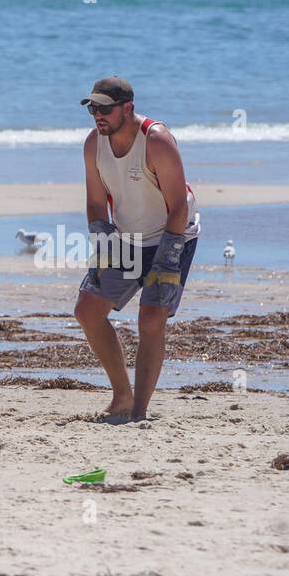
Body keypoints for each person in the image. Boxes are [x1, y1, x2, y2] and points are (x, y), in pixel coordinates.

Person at [73, 77, 200, 422]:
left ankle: (139, 414)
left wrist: (168, 260)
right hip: (127, 237)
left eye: (105, 108)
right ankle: (122, 397)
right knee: (87, 310)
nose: (97, 115)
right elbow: (96, 204)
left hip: (172, 234)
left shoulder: (156, 140)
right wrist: (102, 246)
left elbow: (178, 208)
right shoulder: (93, 144)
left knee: (150, 318)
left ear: (127, 108)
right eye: (92, 108)